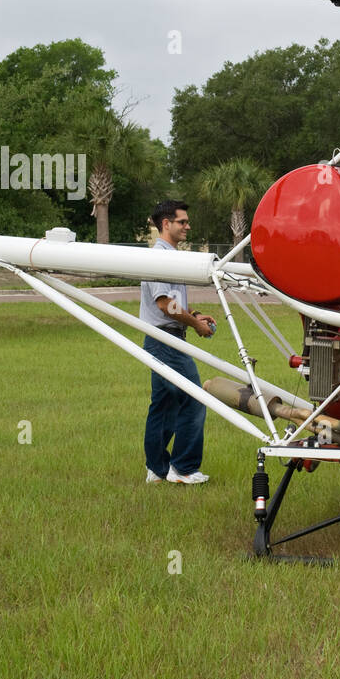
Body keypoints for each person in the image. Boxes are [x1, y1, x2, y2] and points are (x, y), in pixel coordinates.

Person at [141, 200, 217, 484]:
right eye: (182, 222)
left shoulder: (168, 254)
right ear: (166, 224)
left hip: (162, 338)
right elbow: (164, 304)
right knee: (195, 399)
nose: (188, 226)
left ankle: (157, 470)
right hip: (166, 341)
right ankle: (183, 469)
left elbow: (172, 304)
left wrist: (194, 314)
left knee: (164, 406)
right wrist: (195, 324)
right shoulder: (161, 258)